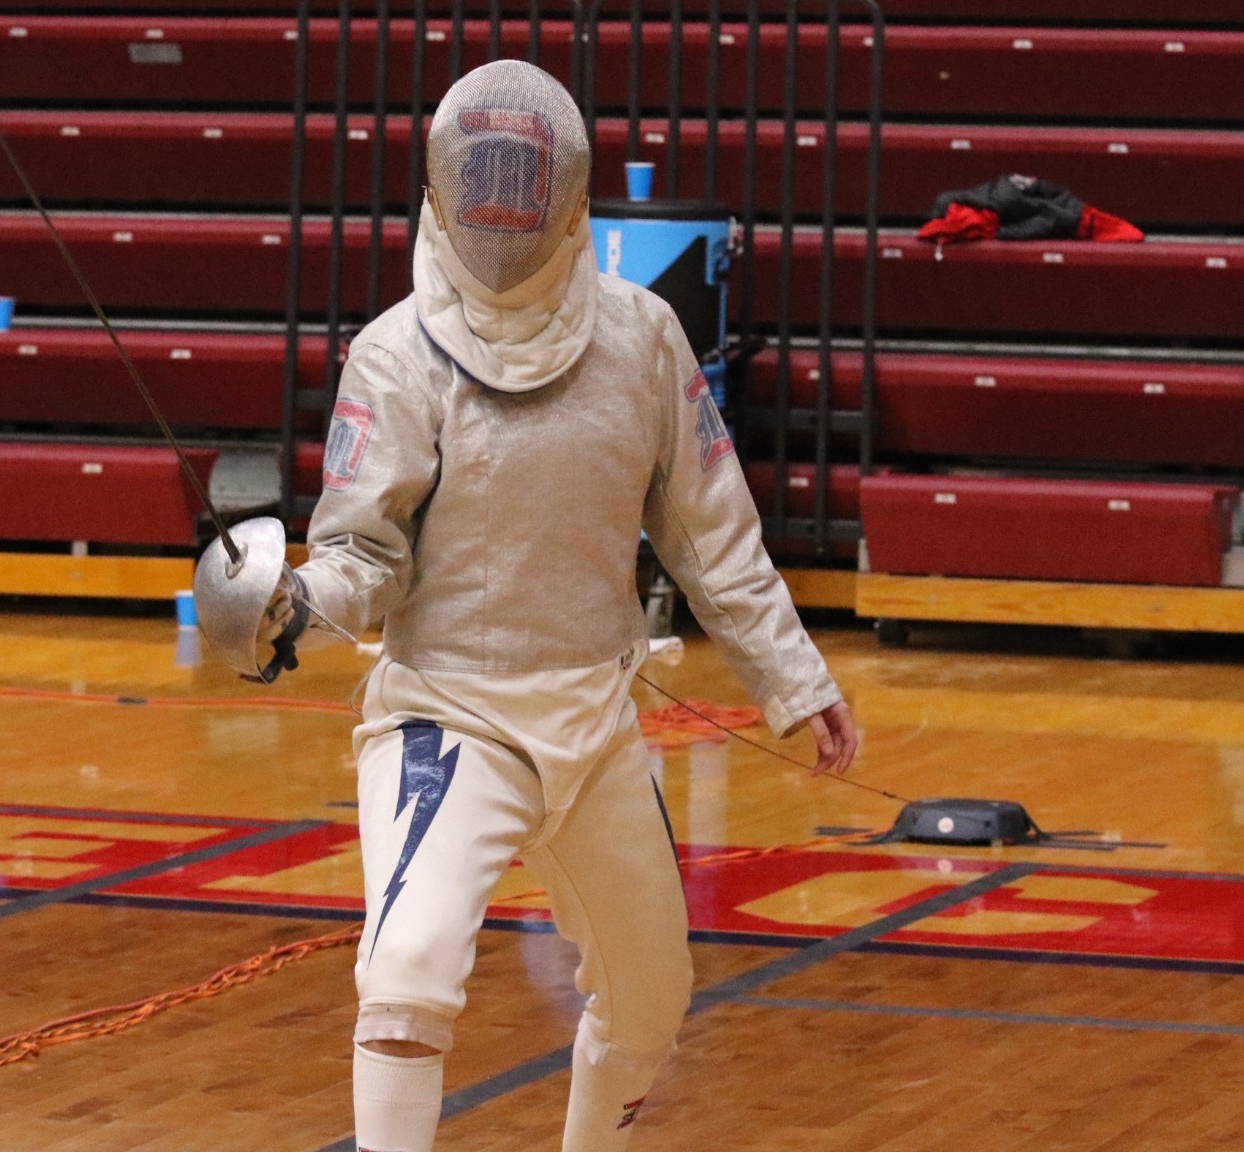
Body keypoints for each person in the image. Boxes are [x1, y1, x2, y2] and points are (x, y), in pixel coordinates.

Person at [241, 59, 856, 1152]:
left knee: (652, 995)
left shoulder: (641, 336)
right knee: (407, 969)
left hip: (596, 722)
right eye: (480, 185)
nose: (499, 209)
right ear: (440, 194)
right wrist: (297, 597)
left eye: (517, 185)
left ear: (564, 197)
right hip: (450, 720)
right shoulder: (394, 354)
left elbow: (710, 530)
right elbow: (361, 554)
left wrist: (792, 683)